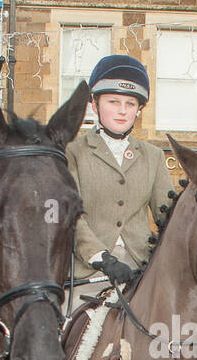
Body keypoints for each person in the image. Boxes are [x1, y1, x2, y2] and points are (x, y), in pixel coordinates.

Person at [66, 54, 174, 304]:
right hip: (89, 269)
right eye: (113, 101)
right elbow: (70, 217)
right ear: (95, 105)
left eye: (130, 103)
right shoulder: (73, 152)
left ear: (138, 110)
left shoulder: (153, 156)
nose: (123, 111)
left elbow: (167, 218)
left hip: (141, 270)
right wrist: (101, 257)